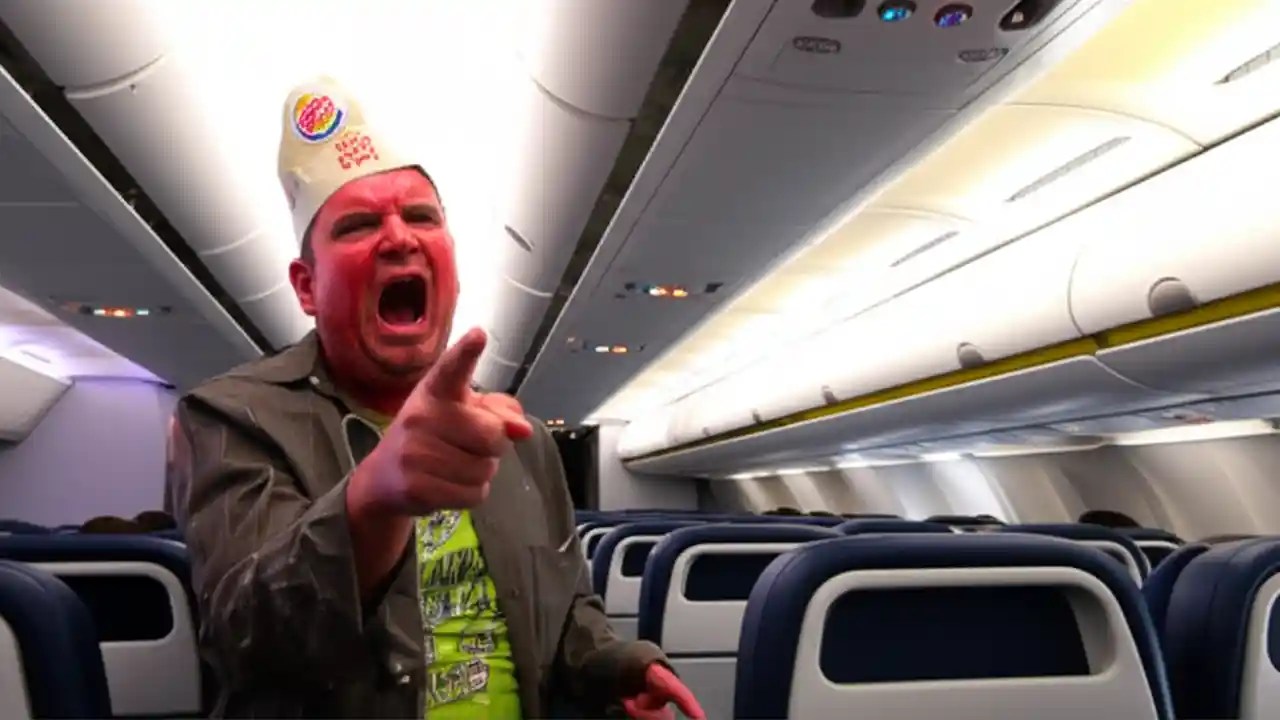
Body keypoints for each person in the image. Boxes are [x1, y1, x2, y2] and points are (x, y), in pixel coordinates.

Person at [164, 76, 704, 719]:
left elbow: (566, 614)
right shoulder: (232, 418)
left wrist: (618, 665)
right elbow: (243, 636)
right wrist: (374, 501)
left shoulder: (517, 438)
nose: (399, 237)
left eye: (421, 217)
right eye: (360, 225)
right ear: (307, 288)